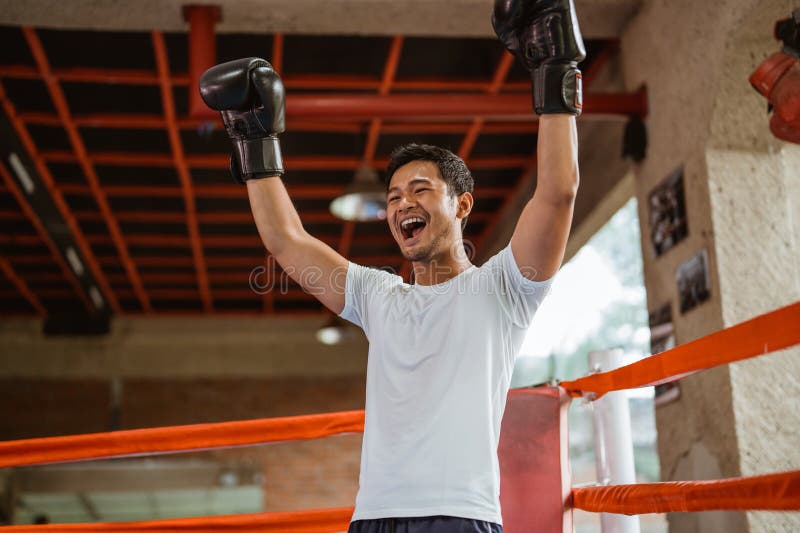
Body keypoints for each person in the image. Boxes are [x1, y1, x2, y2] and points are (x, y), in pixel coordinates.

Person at [199, 0, 584, 531]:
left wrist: (555, 69)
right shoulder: (378, 297)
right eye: (395, 196)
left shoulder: (504, 289)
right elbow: (286, 242)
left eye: (421, 189)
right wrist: (254, 141)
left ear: (462, 205)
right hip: (375, 519)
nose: (403, 204)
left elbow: (558, 192)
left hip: (458, 516)